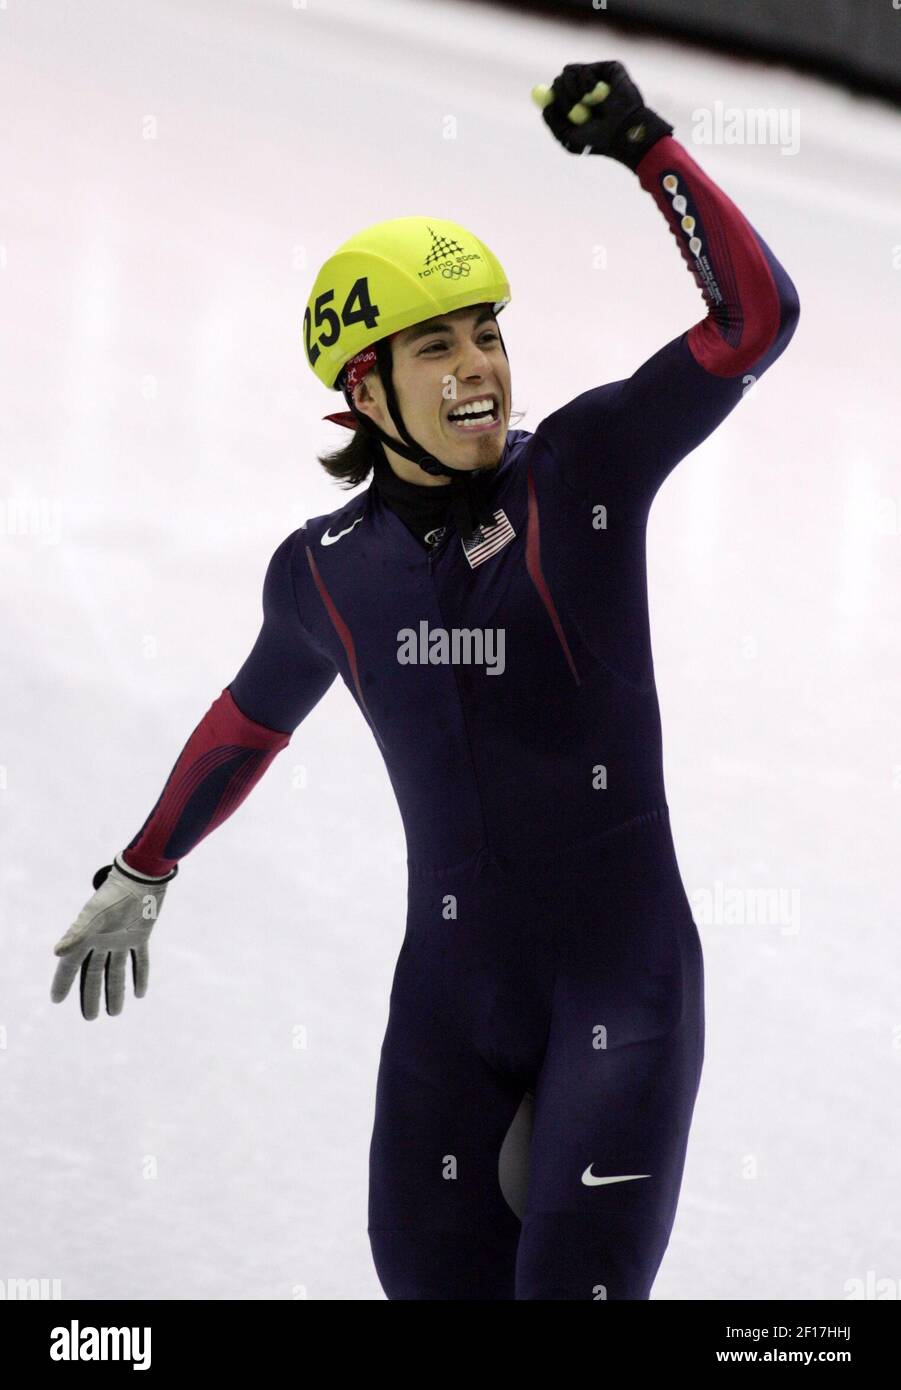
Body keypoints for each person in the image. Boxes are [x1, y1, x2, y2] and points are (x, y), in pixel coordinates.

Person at [52, 61, 800, 1299]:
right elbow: (251, 715)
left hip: (622, 995)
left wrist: (646, 149)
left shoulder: (580, 474)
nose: (478, 367)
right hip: (450, 1015)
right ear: (363, 386)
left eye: (489, 332)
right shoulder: (323, 574)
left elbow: (754, 321)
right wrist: (145, 862)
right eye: (435, 343)